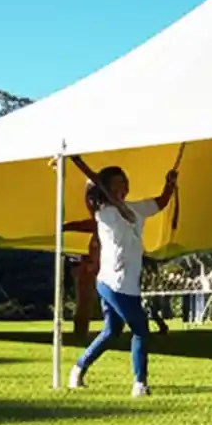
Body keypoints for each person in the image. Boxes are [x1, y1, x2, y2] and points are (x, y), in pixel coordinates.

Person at [66, 158, 177, 397]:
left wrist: (169, 185)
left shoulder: (136, 208)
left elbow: (160, 202)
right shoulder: (104, 214)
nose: (123, 186)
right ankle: (140, 384)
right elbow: (116, 213)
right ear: (106, 187)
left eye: (125, 182)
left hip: (128, 282)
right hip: (113, 282)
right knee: (141, 329)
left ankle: (78, 368)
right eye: (117, 183)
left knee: (112, 331)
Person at [61, 183, 105, 337]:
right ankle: (81, 331)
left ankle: (82, 331)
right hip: (91, 262)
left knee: (87, 298)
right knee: (85, 298)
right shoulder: (100, 219)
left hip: (97, 263)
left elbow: (93, 225)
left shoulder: (105, 217)